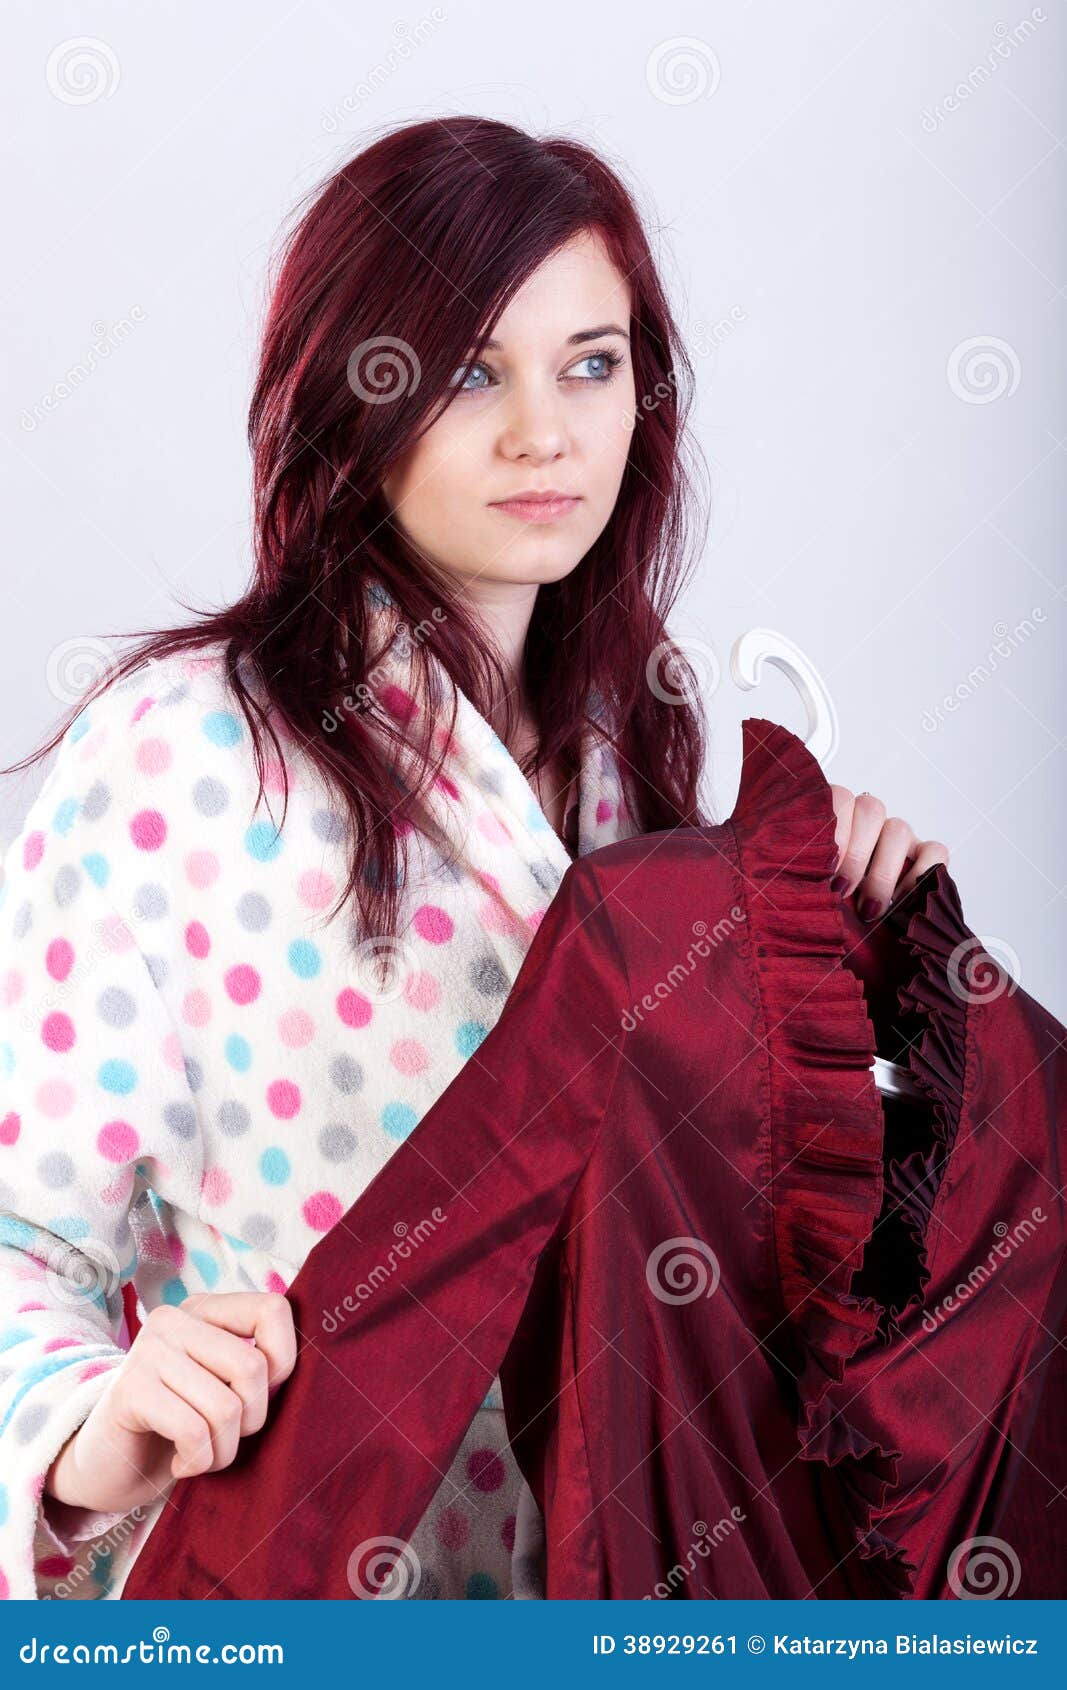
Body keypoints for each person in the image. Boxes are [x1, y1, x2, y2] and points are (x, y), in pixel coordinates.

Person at [0, 115, 948, 1601]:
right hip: (312, 1590)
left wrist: (855, 969)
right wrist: (91, 1423)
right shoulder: (184, 753)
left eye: (591, 362)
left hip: (626, 1593)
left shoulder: (653, 745)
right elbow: (16, 1235)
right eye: (465, 372)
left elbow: (734, 1242)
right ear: (346, 395)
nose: (544, 434)